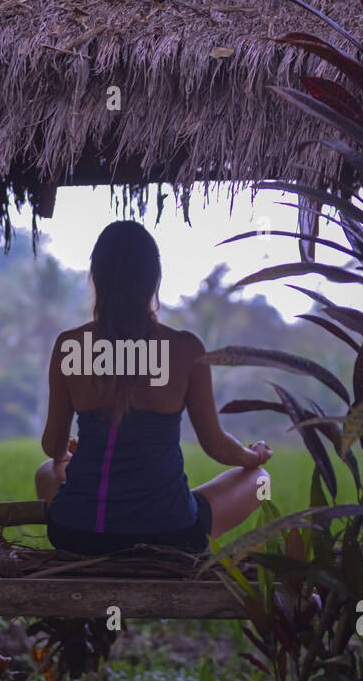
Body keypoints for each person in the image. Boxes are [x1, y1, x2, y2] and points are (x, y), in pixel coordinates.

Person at [34, 220, 273, 555]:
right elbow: (216, 446)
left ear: (96, 278)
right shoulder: (186, 349)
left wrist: (68, 455)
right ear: (154, 279)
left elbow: (52, 446)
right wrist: (254, 456)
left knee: (48, 472)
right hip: (170, 534)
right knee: (260, 479)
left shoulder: (70, 346)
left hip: (76, 532)